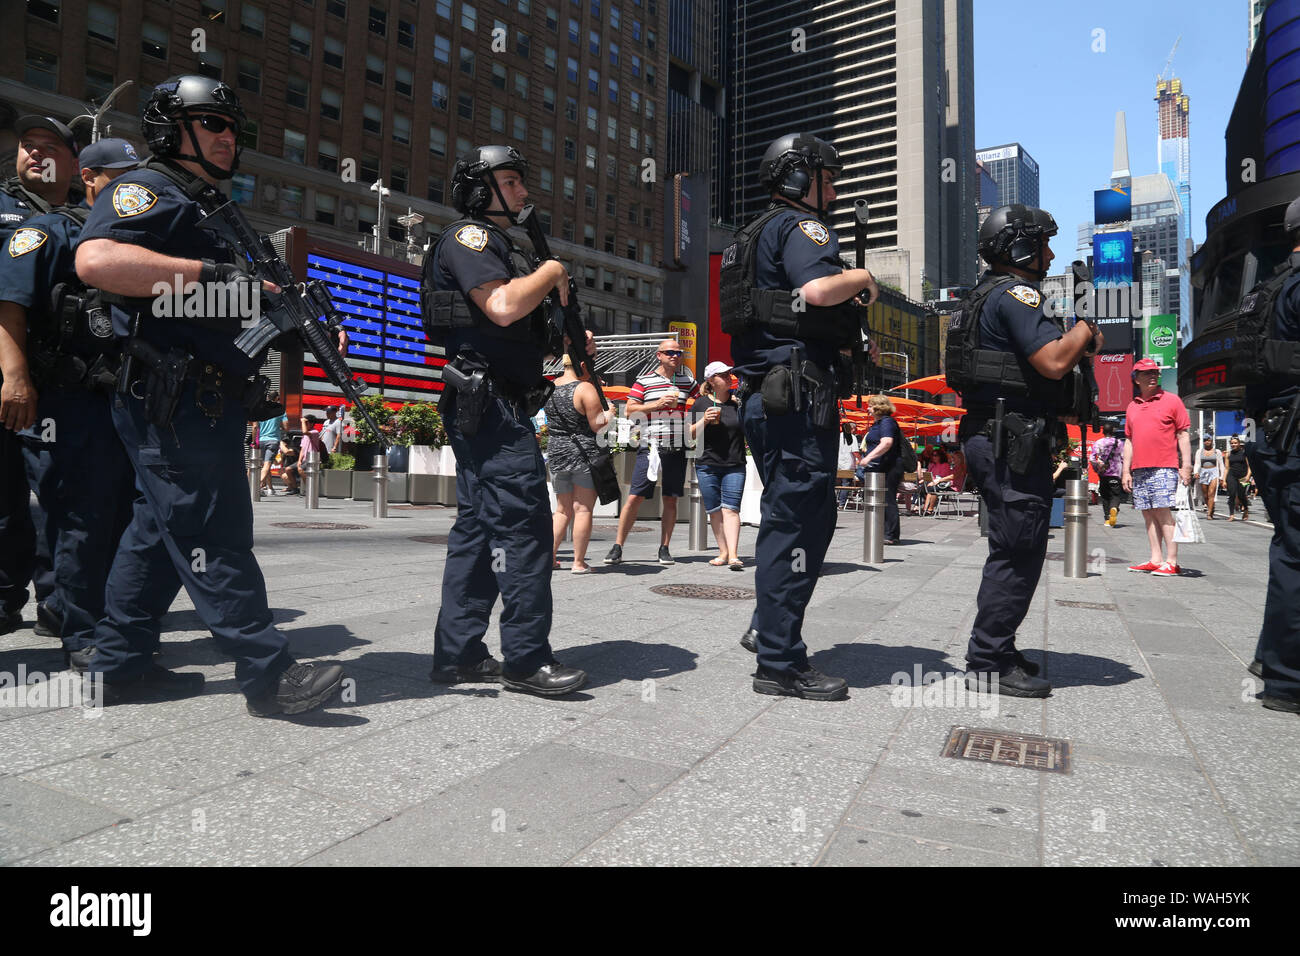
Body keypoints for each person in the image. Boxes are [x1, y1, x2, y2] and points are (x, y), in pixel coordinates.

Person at [73, 75, 345, 713]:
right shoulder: (149, 187)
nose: (229, 137)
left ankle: (118, 667)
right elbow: (97, 261)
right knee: (213, 531)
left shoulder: (206, 204)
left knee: (155, 535)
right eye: (212, 124)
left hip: (203, 397)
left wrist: (276, 309)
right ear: (175, 129)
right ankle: (268, 674)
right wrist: (213, 273)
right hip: (173, 399)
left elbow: (215, 304)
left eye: (233, 127)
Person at [420, 143, 588, 696]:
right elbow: (501, 308)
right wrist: (553, 270)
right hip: (489, 406)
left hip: (496, 402)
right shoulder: (470, 238)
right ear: (479, 189)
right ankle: (525, 658)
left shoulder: (504, 248)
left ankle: (459, 655)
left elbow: (514, 324)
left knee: (477, 532)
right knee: (523, 528)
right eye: (511, 182)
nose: (522, 192)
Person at [723, 131, 880, 700]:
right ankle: (780, 661)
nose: (834, 189)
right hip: (797, 395)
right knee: (799, 521)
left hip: (769, 393)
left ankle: (771, 626)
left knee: (796, 516)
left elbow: (784, 312)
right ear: (799, 177)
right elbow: (815, 292)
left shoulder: (751, 235)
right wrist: (863, 280)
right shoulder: (801, 227)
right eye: (828, 177)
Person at [0, 137, 144, 665]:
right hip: (62, 400)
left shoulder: (120, 241)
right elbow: (9, 307)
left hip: (112, 401)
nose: (131, 187)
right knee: (79, 517)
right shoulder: (48, 232)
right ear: (89, 176)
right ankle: (83, 637)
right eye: (119, 177)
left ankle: (72, 614)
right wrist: (16, 381)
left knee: (111, 515)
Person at [952, 203, 1102, 698]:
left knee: (1015, 543)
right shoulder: (1017, 294)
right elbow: (1054, 361)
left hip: (995, 434)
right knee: (1018, 548)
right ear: (1019, 247)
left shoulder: (981, 296)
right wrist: (1085, 324)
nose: (1051, 253)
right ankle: (989, 658)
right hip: (1010, 438)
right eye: (1043, 244)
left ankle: (998, 646)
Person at [0, 115, 80, 638]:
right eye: (27, 146)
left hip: (59, 381)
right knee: (4, 499)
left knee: (58, 495)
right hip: (11, 379)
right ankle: (5, 600)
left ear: (73, 163)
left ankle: (57, 603)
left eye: (49, 147)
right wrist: (13, 374)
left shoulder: (79, 218)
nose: (34, 154)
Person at [1241, 193, 1300, 715]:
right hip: (1293, 435)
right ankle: (1286, 679)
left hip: (1274, 435)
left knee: (1289, 549)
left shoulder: (1267, 291)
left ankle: (1274, 659)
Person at [603, 338, 698, 566]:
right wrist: (656, 405)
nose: (675, 356)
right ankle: (618, 546)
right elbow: (630, 411)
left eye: (678, 352)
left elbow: (704, 394)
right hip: (651, 446)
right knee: (635, 496)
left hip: (677, 446)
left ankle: (664, 548)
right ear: (659, 355)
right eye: (670, 353)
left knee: (671, 499)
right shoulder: (644, 381)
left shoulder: (687, 381)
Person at [1122, 358, 1192, 576]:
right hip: (1140, 469)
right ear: (1136, 378)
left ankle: (1172, 561)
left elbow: (1183, 434)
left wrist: (1187, 465)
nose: (1152, 376)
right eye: (1146, 373)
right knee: (1148, 514)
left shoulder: (1172, 400)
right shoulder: (1132, 406)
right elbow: (1129, 440)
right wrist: (1126, 470)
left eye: (1155, 372)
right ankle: (1156, 558)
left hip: (1165, 466)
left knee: (1163, 513)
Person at [545, 353, 612, 573]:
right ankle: (578, 562)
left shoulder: (551, 387)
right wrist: (609, 414)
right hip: (583, 454)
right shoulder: (585, 389)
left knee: (562, 510)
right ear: (582, 364)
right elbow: (597, 426)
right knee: (582, 509)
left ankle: (550, 558)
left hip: (556, 452)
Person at [689, 360, 746, 568]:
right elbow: (687, 434)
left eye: (729, 373)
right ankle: (722, 552)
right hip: (707, 464)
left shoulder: (738, 403)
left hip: (735, 464)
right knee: (714, 510)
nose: (729, 377)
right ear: (711, 380)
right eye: (723, 375)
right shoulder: (701, 403)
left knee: (731, 509)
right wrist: (703, 420)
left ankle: (733, 555)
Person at [860, 395, 904, 543]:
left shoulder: (887, 422)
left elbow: (886, 443)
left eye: (870, 406)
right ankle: (884, 531)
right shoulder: (878, 423)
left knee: (888, 498)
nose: (868, 408)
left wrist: (868, 458)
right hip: (881, 466)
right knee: (883, 498)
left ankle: (891, 535)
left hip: (889, 466)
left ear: (879, 407)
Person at [1089, 423, 1124, 527]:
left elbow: (1092, 458)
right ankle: (1114, 508)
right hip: (1116, 472)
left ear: (1103, 431)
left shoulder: (1099, 443)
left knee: (1104, 496)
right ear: (1113, 431)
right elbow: (1123, 457)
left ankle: (1107, 519)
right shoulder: (1119, 443)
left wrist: (1097, 468)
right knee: (1116, 494)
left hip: (1103, 473)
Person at [256, 402, 285, 495]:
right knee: (267, 465)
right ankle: (257, 486)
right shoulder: (280, 412)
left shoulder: (261, 411)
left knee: (263, 464)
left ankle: (270, 488)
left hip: (261, 440)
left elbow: (255, 426)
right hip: (273, 440)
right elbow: (286, 426)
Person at [1194, 436, 1225, 520]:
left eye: (1208, 440)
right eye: (1205, 440)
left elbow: (1221, 464)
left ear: (1212, 441)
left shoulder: (1216, 451)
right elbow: (1197, 463)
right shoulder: (1199, 451)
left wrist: (1222, 477)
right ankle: (1211, 507)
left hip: (1214, 472)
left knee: (1211, 493)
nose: (1207, 442)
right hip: (1203, 472)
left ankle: (1209, 513)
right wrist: (1196, 472)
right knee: (1205, 495)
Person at [1224, 435, 1253, 521]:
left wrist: (1248, 476)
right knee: (1232, 494)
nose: (1234, 444)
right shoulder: (1228, 454)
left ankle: (1246, 510)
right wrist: (1224, 480)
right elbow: (1226, 468)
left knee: (1241, 495)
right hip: (1231, 475)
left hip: (1243, 476)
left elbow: (1250, 466)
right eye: (1232, 443)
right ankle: (1231, 514)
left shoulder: (1245, 453)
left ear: (1239, 443)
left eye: (1235, 443)